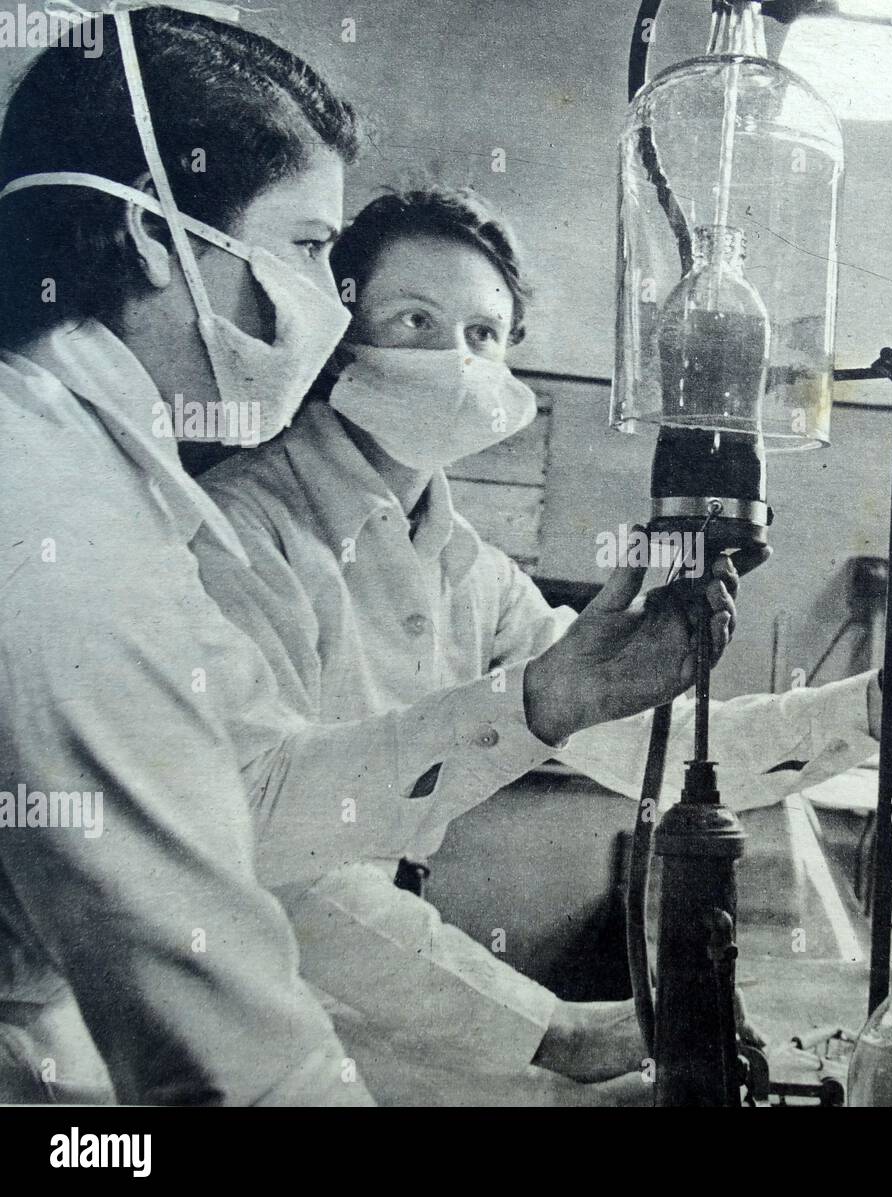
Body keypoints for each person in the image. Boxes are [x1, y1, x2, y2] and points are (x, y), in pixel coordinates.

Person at [0, 7, 729, 1106]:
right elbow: (210, 1013)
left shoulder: (103, 479)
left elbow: (253, 793)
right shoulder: (58, 513)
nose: (319, 301)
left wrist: (546, 698)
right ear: (155, 237)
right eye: (303, 248)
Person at [192, 185, 892, 1103]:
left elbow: (665, 748)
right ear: (338, 332)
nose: (455, 362)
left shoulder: (473, 573)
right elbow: (251, 846)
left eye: (483, 335)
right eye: (414, 320)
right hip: (224, 1009)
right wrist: (558, 1029)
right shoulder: (236, 530)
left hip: (379, 993)